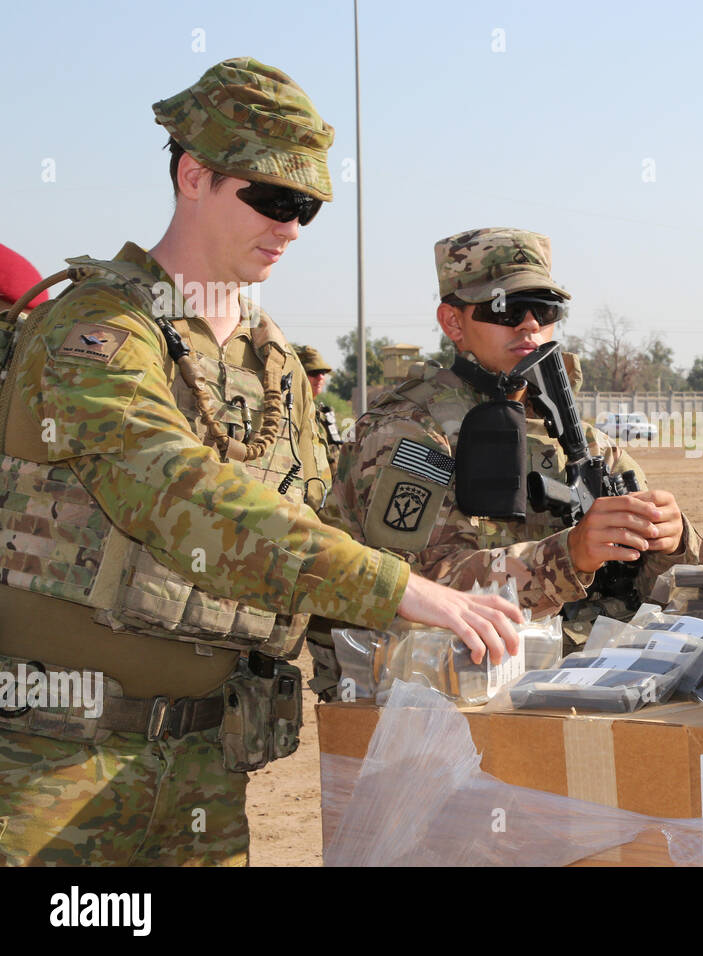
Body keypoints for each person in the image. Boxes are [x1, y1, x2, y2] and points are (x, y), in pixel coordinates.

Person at [0, 58, 521, 867]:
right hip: (54, 762)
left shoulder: (273, 365)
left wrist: (539, 576)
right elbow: (172, 488)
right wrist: (395, 590)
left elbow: (327, 531)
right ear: (193, 175)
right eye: (273, 200)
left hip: (206, 770)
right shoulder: (98, 331)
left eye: (307, 208)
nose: (292, 228)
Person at [315, 226, 703, 693]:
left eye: (544, 309)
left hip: (574, 689)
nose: (529, 325)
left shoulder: (589, 445)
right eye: (503, 308)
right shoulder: (407, 433)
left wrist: (673, 543)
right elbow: (403, 587)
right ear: (453, 322)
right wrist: (568, 556)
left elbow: (682, 594)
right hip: (430, 698)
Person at [295, 344, 345, 476]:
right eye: (313, 373)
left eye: (323, 373)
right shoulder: (291, 413)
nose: (321, 378)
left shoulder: (323, 414)